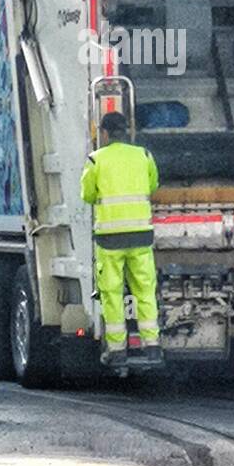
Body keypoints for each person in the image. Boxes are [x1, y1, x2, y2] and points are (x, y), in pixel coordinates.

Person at [80, 111, 161, 367]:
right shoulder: (144, 156)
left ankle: (117, 350)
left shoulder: (95, 160)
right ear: (127, 131)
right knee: (145, 291)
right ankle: (152, 347)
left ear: (104, 133)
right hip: (141, 236)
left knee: (112, 294)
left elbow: (87, 195)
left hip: (110, 239)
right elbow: (152, 185)